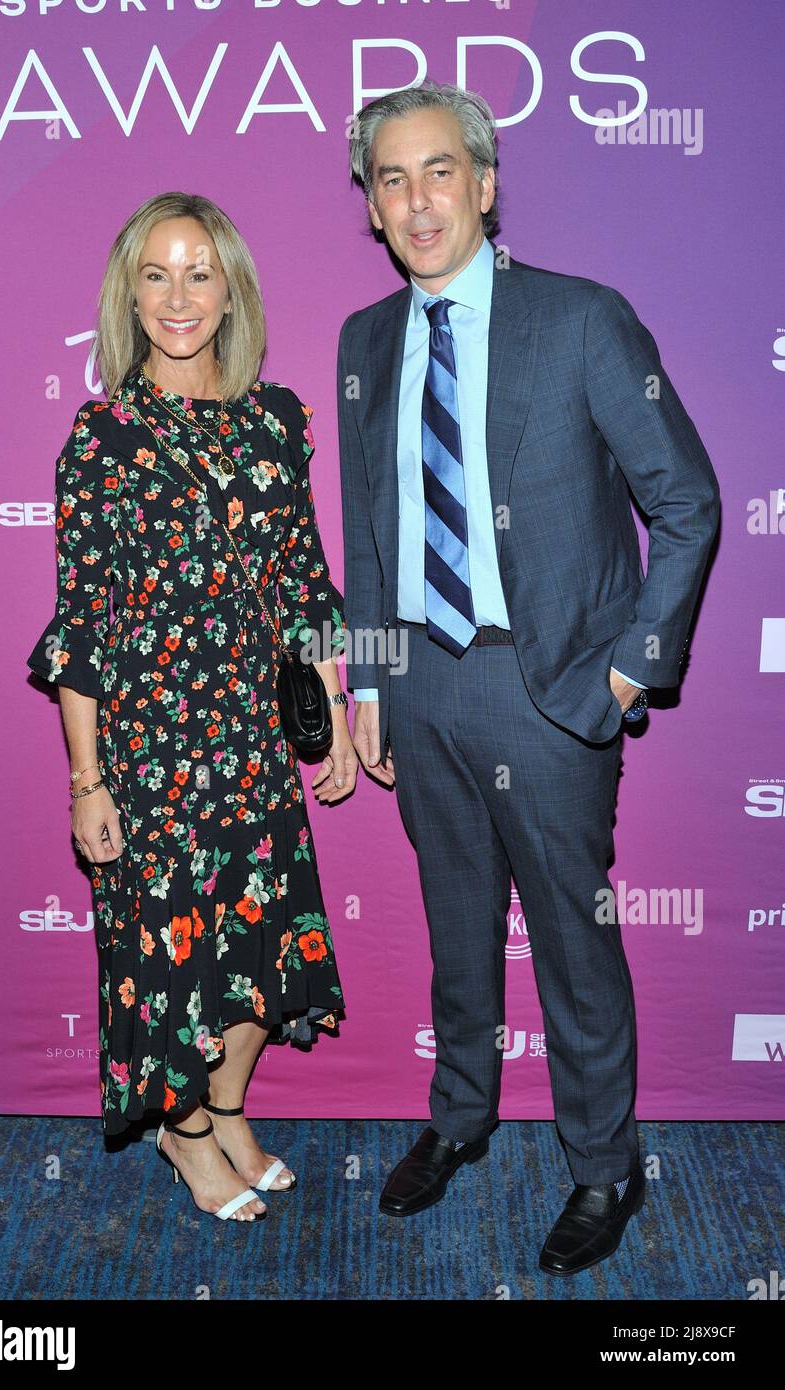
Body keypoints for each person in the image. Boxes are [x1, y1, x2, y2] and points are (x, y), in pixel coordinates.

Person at [338, 82, 720, 1273]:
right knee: (459, 933)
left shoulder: (583, 319)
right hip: (428, 694)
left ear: (486, 183)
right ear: (374, 204)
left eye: (438, 171)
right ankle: (460, 1119)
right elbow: (372, 538)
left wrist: (626, 679)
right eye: (391, 179)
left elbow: (689, 502)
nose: (417, 200)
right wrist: (369, 687)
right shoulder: (366, 341)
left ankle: (605, 1166)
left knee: (572, 942)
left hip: (553, 697)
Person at [27, 191, 357, 1222]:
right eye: (157, 274)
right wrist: (87, 779)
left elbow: (303, 581)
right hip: (153, 752)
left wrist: (337, 714)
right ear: (132, 291)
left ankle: (226, 1108)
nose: (180, 295)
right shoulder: (104, 437)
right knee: (174, 964)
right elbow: (82, 621)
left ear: (231, 291)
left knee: (264, 951)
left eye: (199, 272)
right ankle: (185, 1133)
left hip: (253, 741)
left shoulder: (277, 418)